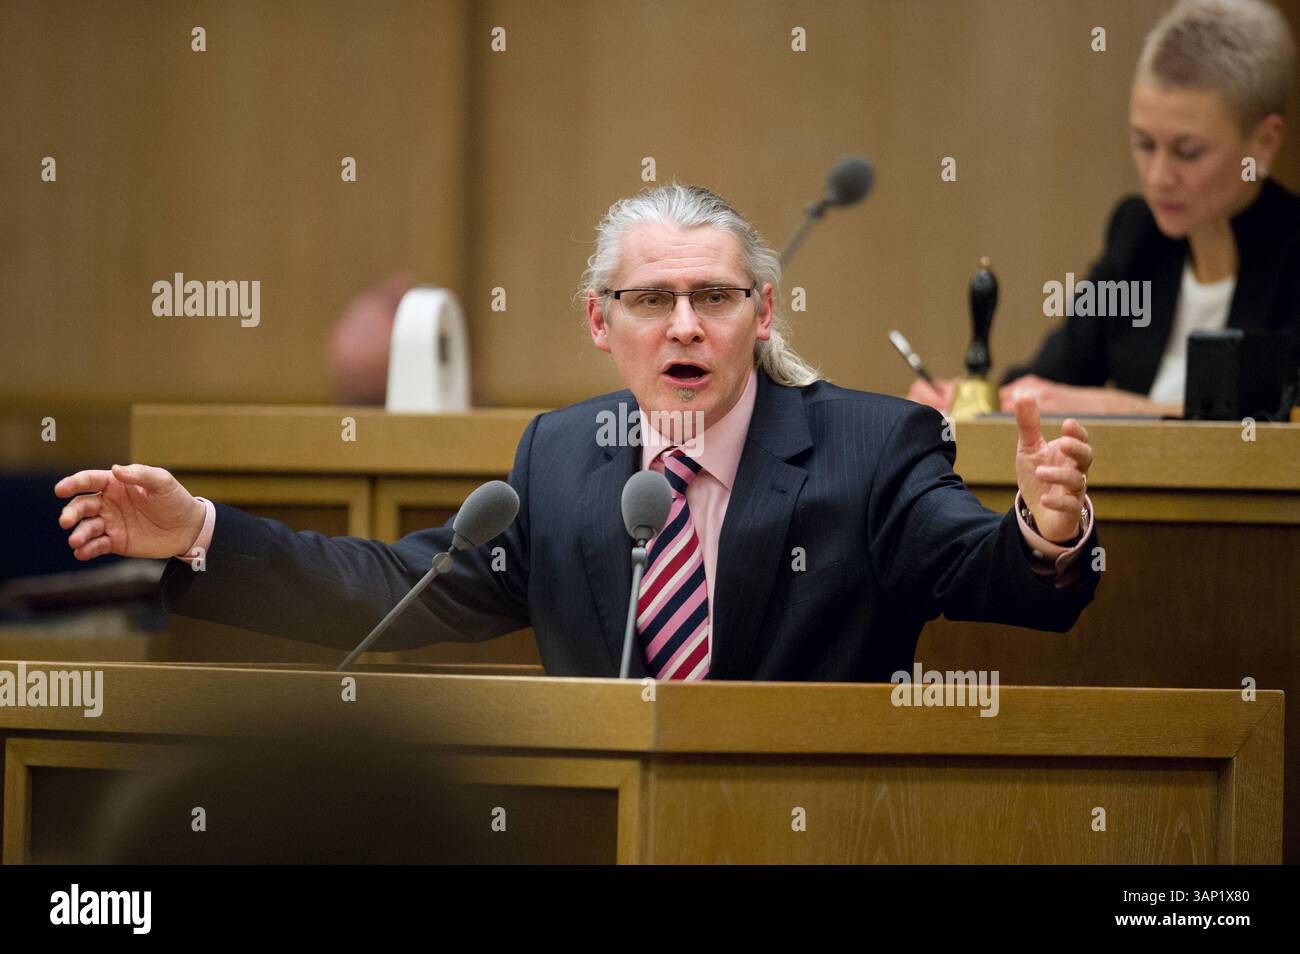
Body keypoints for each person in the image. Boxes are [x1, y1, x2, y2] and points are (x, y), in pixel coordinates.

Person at [55, 184, 1100, 682]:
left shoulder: (872, 449)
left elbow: (980, 571)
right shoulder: (562, 459)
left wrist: (1044, 534)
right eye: (650, 301)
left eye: (714, 297)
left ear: (763, 314)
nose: (684, 325)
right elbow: (393, 588)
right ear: (601, 324)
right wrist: (199, 533)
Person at [910, 0, 1300, 416]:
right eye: (1144, 144)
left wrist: (1121, 407)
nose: (1157, 177)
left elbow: (1279, 422)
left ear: (1264, 142)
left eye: (1188, 152)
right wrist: (974, 401)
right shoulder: (1138, 235)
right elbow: (1051, 379)